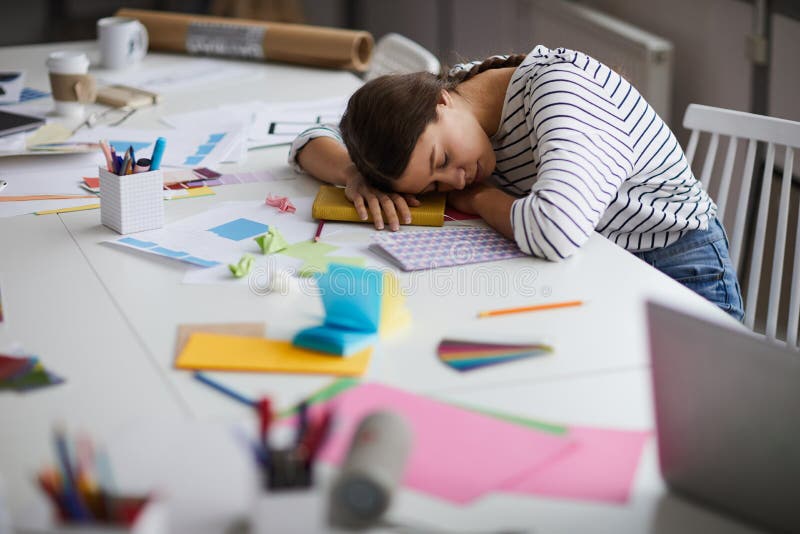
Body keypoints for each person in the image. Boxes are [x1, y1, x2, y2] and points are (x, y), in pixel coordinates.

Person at [289, 45, 744, 321]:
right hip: (601, 265)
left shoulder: (559, 93)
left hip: (676, 269)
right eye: (432, 185)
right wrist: (356, 175)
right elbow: (308, 139)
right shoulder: (461, 99)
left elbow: (555, 230)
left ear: (442, 100)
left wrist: (479, 197)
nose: (453, 178)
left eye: (443, 159)